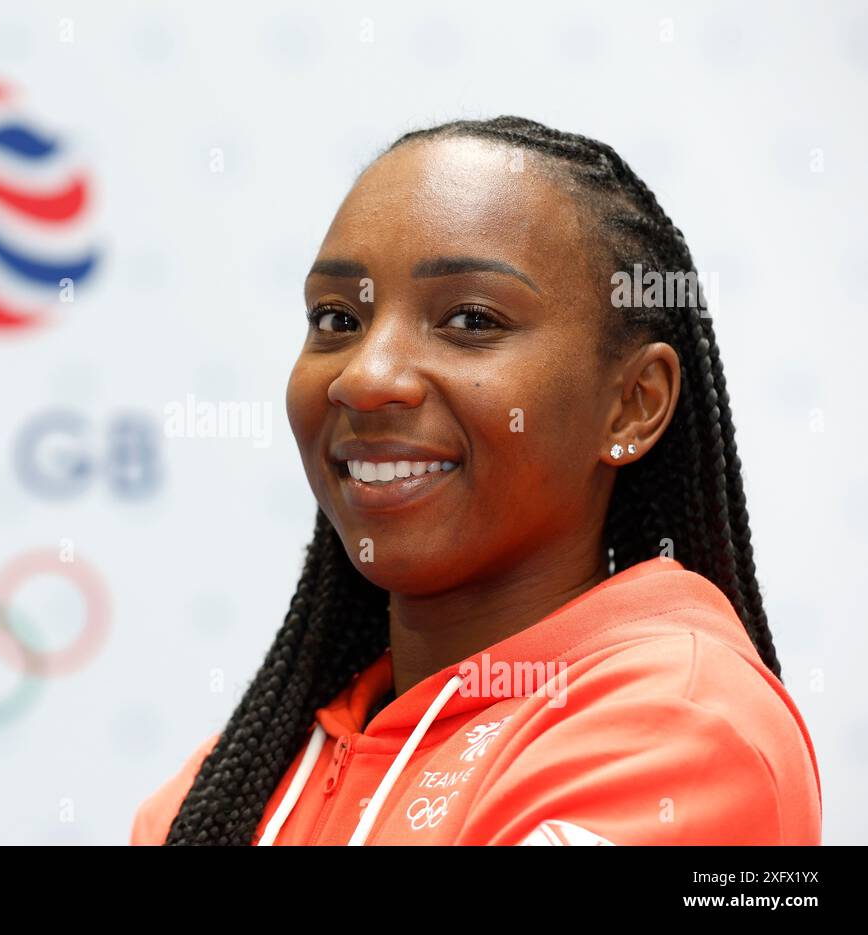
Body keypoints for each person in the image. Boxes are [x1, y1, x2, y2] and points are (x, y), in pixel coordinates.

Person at [131, 116, 821, 846]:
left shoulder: (683, 733)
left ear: (633, 403)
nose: (366, 377)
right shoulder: (220, 791)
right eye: (337, 318)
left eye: (469, 318)